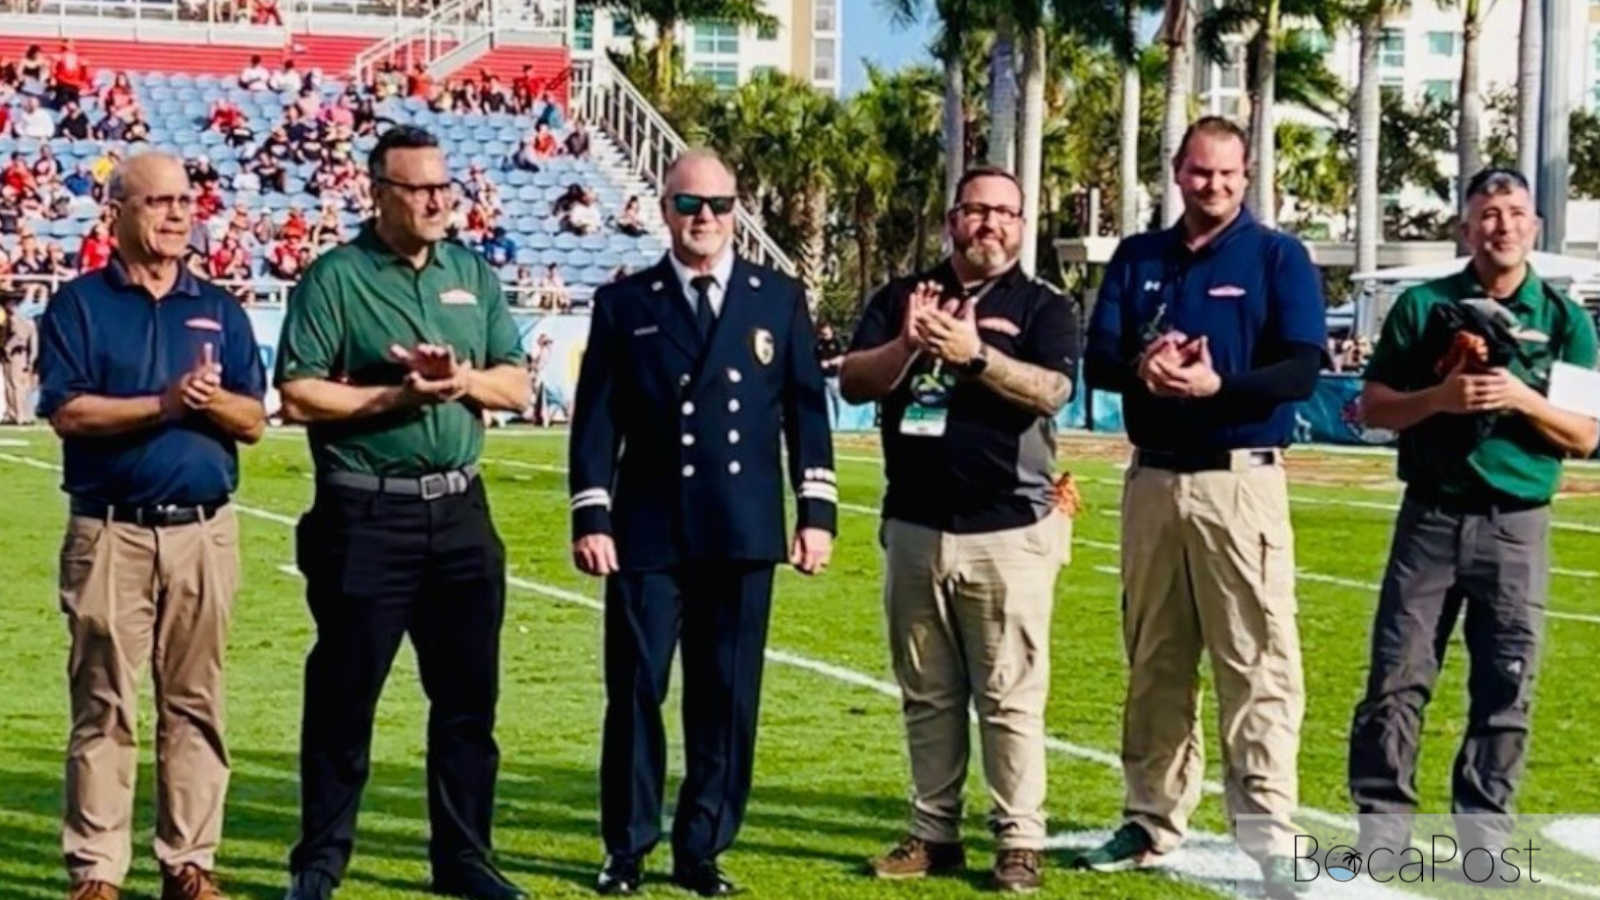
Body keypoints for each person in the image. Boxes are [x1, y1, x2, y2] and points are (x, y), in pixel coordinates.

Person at [569, 148, 836, 898]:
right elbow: (595, 423)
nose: (705, 219)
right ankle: (626, 847)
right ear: (665, 211)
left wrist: (815, 512)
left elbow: (806, 411)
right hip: (647, 529)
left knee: (725, 697)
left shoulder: (775, 297)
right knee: (635, 692)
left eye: (719, 205)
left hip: (743, 528)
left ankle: (702, 849)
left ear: (737, 210)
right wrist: (592, 514)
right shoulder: (626, 304)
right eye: (690, 205)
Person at [274, 125, 529, 900]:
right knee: (345, 700)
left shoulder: (471, 274)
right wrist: (396, 396)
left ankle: (463, 859)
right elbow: (298, 392)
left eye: (442, 187)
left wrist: (458, 384)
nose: (435, 201)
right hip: (365, 514)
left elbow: (515, 384)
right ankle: (319, 862)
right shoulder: (335, 279)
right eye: (417, 189)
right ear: (378, 194)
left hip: (459, 512)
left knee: (466, 705)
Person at [1076, 116, 1325, 898]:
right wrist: (1144, 369)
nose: (1210, 186)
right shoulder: (1139, 256)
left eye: (1224, 174)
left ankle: (1271, 835)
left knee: (1256, 663)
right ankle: (1149, 819)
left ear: (1245, 176)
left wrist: (1222, 387)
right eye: (1196, 172)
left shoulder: (1278, 256)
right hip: (1153, 481)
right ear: (1176, 173)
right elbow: (1099, 359)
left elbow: (1302, 368)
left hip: (1239, 478)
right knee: (1154, 659)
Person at [1347, 167, 1600, 866]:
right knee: (1397, 674)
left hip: (1518, 520)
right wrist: (1441, 398)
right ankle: (1382, 832)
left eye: (1515, 213)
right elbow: (1371, 407)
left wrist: (1520, 397)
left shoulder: (1563, 318)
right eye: (1488, 214)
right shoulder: (1422, 305)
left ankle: (1484, 836)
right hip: (1431, 514)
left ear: (1535, 227)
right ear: (1466, 227)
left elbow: (1583, 434)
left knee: (1507, 679)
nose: (1503, 226)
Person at [34, 151, 266, 900]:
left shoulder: (221, 308)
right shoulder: (78, 305)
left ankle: (188, 862)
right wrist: (165, 404)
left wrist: (209, 401)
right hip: (109, 532)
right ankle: (98, 871)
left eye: (185, 202)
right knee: (104, 701)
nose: (176, 215)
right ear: (118, 211)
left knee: (196, 701)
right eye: (158, 202)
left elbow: (254, 418)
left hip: (203, 532)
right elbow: (69, 412)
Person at [842, 167, 1080, 893]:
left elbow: (1053, 389)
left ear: (1021, 224)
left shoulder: (1042, 305)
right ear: (953, 219)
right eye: (977, 210)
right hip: (914, 521)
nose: (991, 224)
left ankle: (1019, 839)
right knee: (928, 692)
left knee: (1008, 694)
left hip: (1006, 526)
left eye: (1005, 213)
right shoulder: (901, 295)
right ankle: (933, 832)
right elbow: (854, 381)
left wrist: (974, 356)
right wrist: (911, 345)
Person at [2, 295, 37, 424]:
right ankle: (17, 414)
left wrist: (7, 348)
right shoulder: (26, 319)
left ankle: (19, 415)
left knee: (15, 385)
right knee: (16, 385)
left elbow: (20, 338)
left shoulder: (16, 319)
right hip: (21, 355)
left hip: (16, 355)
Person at [813, 321, 845, 428]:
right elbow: (814, 359)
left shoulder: (836, 343)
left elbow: (841, 358)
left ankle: (838, 424)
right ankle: (829, 425)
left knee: (836, 399)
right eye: (823, 333)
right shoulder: (818, 344)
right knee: (825, 402)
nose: (825, 334)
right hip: (821, 376)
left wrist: (830, 362)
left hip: (833, 376)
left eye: (826, 332)